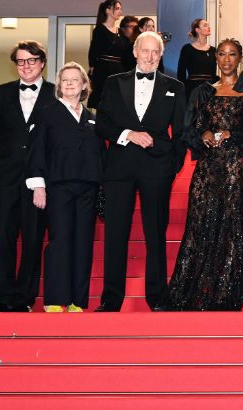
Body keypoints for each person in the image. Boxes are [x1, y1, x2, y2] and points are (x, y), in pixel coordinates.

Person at [168, 39, 243, 311]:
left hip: (233, 169)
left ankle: (224, 294)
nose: (226, 59)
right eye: (222, 53)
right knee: (199, 226)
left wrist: (233, 135)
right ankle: (191, 292)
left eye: (232, 54)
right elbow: (189, 129)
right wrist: (203, 133)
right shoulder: (203, 92)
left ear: (240, 57)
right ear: (215, 57)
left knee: (230, 229)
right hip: (206, 170)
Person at [94, 32, 186, 312]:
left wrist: (171, 168)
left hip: (157, 168)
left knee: (156, 233)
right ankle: (111, 299)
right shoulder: (113, 83)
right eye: (144, 51)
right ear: (134, 52)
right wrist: (128, 134)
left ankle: (158, 297)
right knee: (115, 235)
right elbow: (102, 124)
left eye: (155, 52)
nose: (149, 57)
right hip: (119, 167)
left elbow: (181, 133)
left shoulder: (175, 87)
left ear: (161, 55)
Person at [26, 62, 104, 313]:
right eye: (65, 80)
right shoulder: (46, 113)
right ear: (59, 86)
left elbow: (101, 154)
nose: (69, 83)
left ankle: (77, 301)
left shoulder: (93, 117)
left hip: (88, 188)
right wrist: (39, 186)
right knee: (59, 241)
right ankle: (53, 299)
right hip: (58, 186)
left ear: (84, 85)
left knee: (83, 243)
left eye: (75, 80)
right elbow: (36, 151)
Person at [0, 41, 55, 312]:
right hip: (6, 178)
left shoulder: (55, 93)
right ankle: (3, 299)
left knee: (33, 238)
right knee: (4, 238)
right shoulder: (0, 93)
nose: (26, 66)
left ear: (42, 63)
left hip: (40, 180)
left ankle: (24, 298)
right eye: (21, 61)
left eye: (31, 60)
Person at [87, 0, 133, 109]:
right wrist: (92, 66)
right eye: (117, 8)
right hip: (103, 69)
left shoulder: (121, 32)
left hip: (118, 69)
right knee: (103, 101)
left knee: (118, 103)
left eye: (120, 9)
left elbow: (127, 52)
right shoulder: (99, 29)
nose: (120, 11)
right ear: (108, 10)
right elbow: (94, 50)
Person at [177, 18, 218, 100]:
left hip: (209, 89)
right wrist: (184, 90)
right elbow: (181, 73)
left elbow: (213, 73)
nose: (209, 27)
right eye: (205, 25)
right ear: (198, 30)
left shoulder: (213, 50)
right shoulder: (187, 48)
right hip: (192, 89)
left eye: (208, 25)